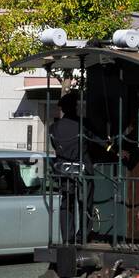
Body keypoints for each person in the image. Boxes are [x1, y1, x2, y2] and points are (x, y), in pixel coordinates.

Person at [49, 92, 86, 245]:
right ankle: (82, 235)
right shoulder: (82, 125)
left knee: (66, 203)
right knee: (84, 203)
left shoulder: (53, 127)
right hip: (81, 169)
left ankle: (67, 237)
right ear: (75, 107)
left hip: (62, 170)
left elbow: (54, 146)